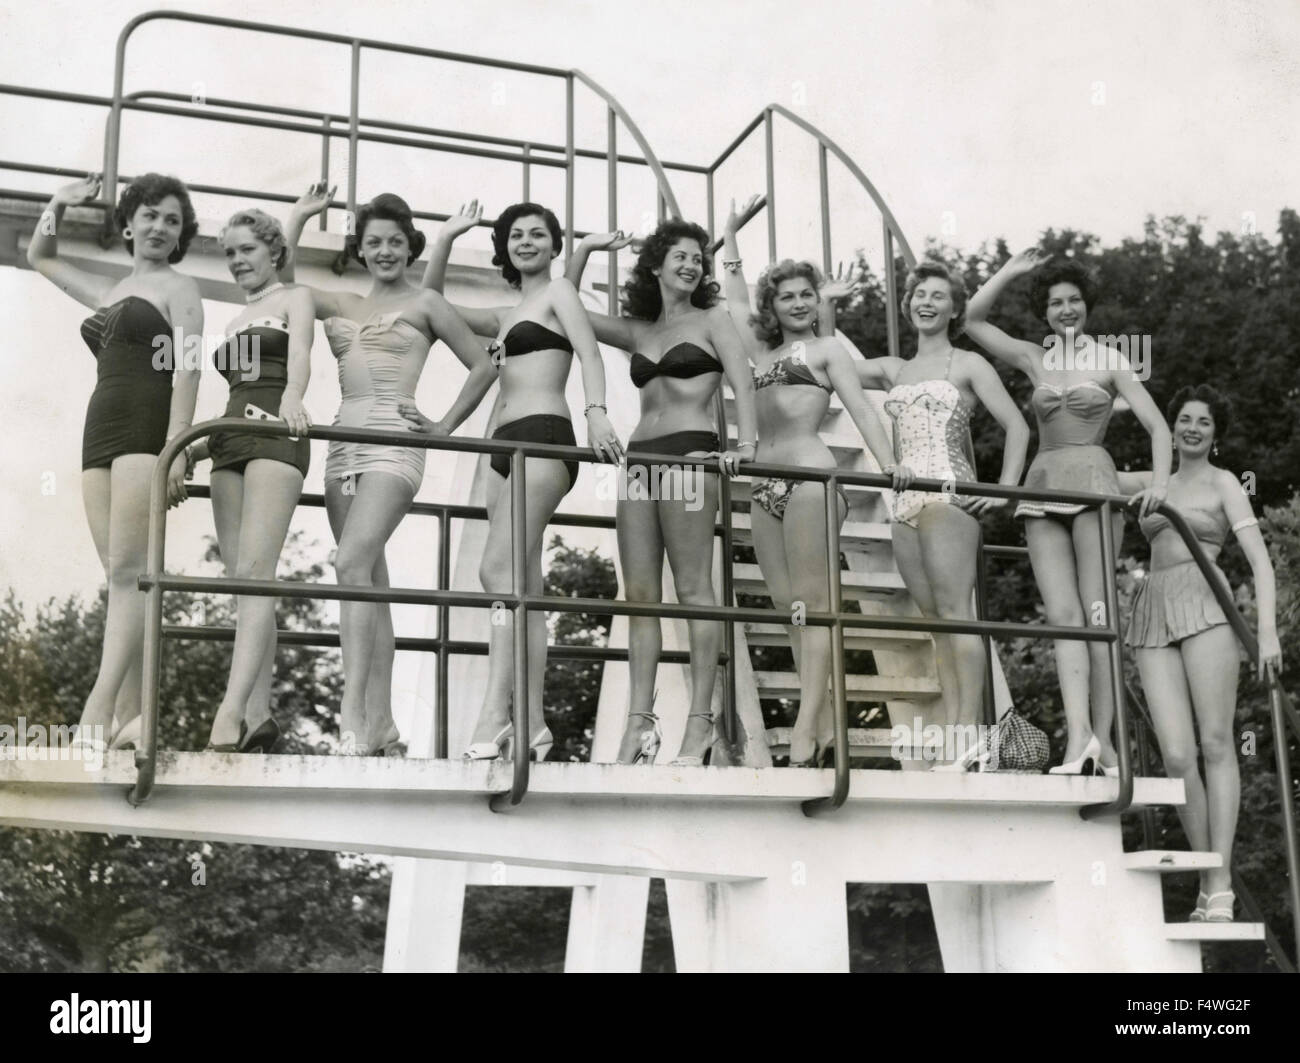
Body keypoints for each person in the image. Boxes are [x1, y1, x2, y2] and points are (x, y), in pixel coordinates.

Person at [403, 199, 623, 761]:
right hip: (499, 448)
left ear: (552, 245)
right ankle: (533, 724)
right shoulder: (504, 314)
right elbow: (428, 302)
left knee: (494, 568)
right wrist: (446, 237)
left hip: (545, 436)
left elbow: (592, 354)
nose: (526, 242)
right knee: (523, 583)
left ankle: (493, 714)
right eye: (516, 235)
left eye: (537, 234)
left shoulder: (558, 295)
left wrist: (596, 410)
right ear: (506, 247)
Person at [285, 186, 496, 755]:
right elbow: (284, 287)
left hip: (395, 443)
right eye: (374, 242)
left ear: (411, 247)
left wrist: (444, 425)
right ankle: (383, 724)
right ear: (360, 248)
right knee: (369, 585)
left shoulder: (427, 303)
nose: (384, 251)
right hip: (341, 446)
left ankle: (351, 713)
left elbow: (483, 365)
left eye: (395, 242)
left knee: (349, 562)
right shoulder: (342, 302)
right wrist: (299, 220)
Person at [965, 250, 1170, 774]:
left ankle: (1105, 739)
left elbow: (1159, 429)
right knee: (1064, 620)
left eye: (1074, 299)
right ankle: (1079, 738)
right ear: (1045, 312)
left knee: (1100, 616)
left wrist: (1161, 486)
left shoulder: (1111, 360)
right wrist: (1010, 272)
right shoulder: (1034, 358)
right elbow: (971, 320)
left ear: (1087, 305)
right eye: (1055, 302)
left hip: (1095, 486)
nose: (1066, 309)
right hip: (1043, 483)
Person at [717, 197, 906, 765]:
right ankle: (819, 725)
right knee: (785, 605)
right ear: (772, 304)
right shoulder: (756, 348)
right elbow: (732, 292)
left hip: (810, 479)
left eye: (807, 294)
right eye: (787, 295)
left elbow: (864, 409)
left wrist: (890, 464)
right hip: (764, 483)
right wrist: (728, 234)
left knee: (815, 603)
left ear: (817, 301)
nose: (797, 303)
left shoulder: (826, 350)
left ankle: (805, 728)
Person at [567, 220, 758, 765]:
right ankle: (638, 725)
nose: (692, 264)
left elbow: (742, 382)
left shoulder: (713, 319)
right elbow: (569, 309)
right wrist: (583, 250)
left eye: (699, 258)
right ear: (656, 264)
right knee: (639, 596)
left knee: (695, 589)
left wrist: (745, 446)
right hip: (638, 461)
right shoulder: (639, 332)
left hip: (692, 458)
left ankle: (701, 724)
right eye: (680, 256)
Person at [27, 172, 202, 753]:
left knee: (130, 574)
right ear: (128, 224)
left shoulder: (182, 289)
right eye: (150, 215)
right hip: (98, 429)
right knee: (120, 579)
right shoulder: (108, 290)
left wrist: (177, 445)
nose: (159, 227)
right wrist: (57, 202)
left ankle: (97, 717)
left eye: (172, 220)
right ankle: (133, 716)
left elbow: (191, 367)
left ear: (180, 236)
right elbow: (39, 253)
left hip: (145, 428)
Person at [824, 259, 1030, 753]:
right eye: (920, 295)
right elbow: (831, 365)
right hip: (903, 506)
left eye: (938, 296)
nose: (927, 303)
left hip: (949, 494)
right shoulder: (893, 368)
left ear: (955, 308)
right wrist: (829, 304)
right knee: (937, 623)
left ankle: (969, 735)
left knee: (958, 615)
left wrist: (1004, 489)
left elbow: (1018, 427)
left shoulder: (968, 364)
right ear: (908, 304)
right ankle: (961, 736)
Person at [1119, 385, 1281, 921]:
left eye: (1203, 422)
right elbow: (1087, 473)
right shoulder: (1154, 481)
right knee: (1177, 756)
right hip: (1153, 606)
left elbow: (1259, 561)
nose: (1192, 428)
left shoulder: (1223, 483)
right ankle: (1209, 870)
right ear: (1171, 427)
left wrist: (1267, 632)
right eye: (1183, 419)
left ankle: (1218, 884)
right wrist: (1102, 399)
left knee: (1215, 743)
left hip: (1208, 604)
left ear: (1215, 433)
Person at [186, 209, 314, 752]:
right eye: (230, 253)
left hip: (275, 433)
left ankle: (230, 712)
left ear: (274, 251)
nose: (238, 261)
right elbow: (232, 392)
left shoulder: (295, 298)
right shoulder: (239, 318)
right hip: (228, 439)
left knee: (257, 576)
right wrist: (191, 447)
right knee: (242, 582)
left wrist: (292, 398)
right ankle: (260, 713)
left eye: (247, 251)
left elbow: (302, 352)